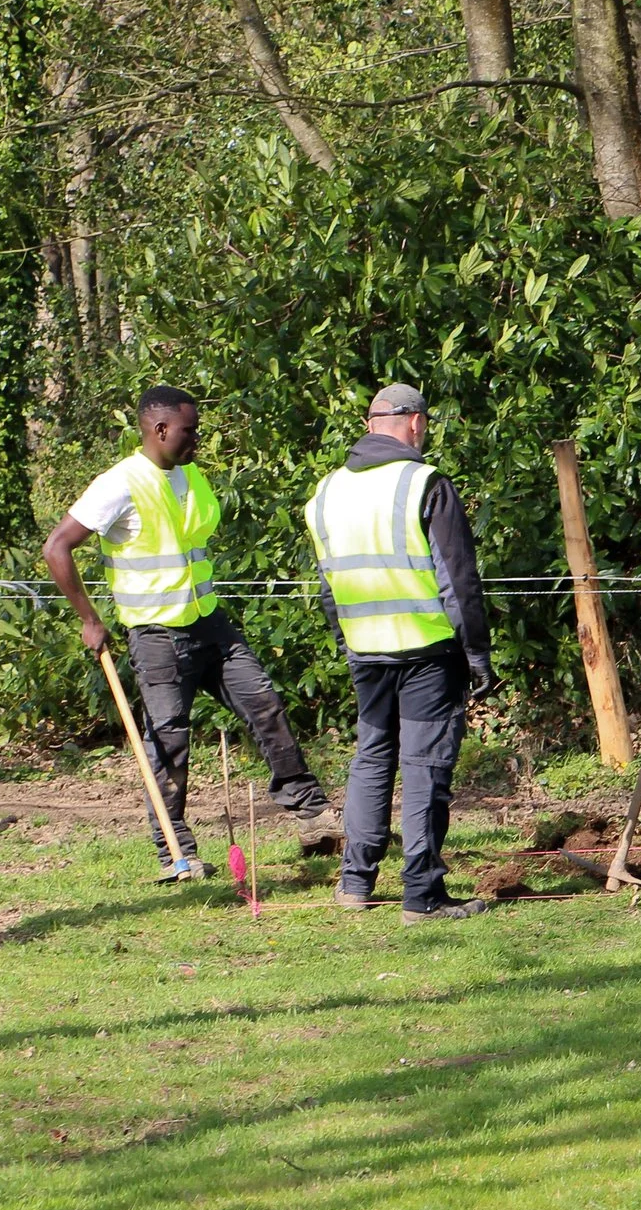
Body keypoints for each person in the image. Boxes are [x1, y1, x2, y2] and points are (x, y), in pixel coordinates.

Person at [43, 385, 334, 880]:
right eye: (189, 430)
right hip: (156, 637)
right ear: (159, 430)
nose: (197, 439)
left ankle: (314, 817)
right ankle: (176, 852)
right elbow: (57, 548)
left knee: (265, 707)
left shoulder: (191, 476)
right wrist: (90, 620)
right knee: (168, 743)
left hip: (210, 624)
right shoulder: (120, 483)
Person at [307, 383, 500, 921]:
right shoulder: (424, 483)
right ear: (414, 423)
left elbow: (328, 587)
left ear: (371, 425)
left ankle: (355, 883)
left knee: (372, 757)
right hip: (426, 649)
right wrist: (476, 653)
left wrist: (351, 638)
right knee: (424, 765)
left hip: (365, 650)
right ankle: (422, 894)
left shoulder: (326, 491)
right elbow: (456, 579)